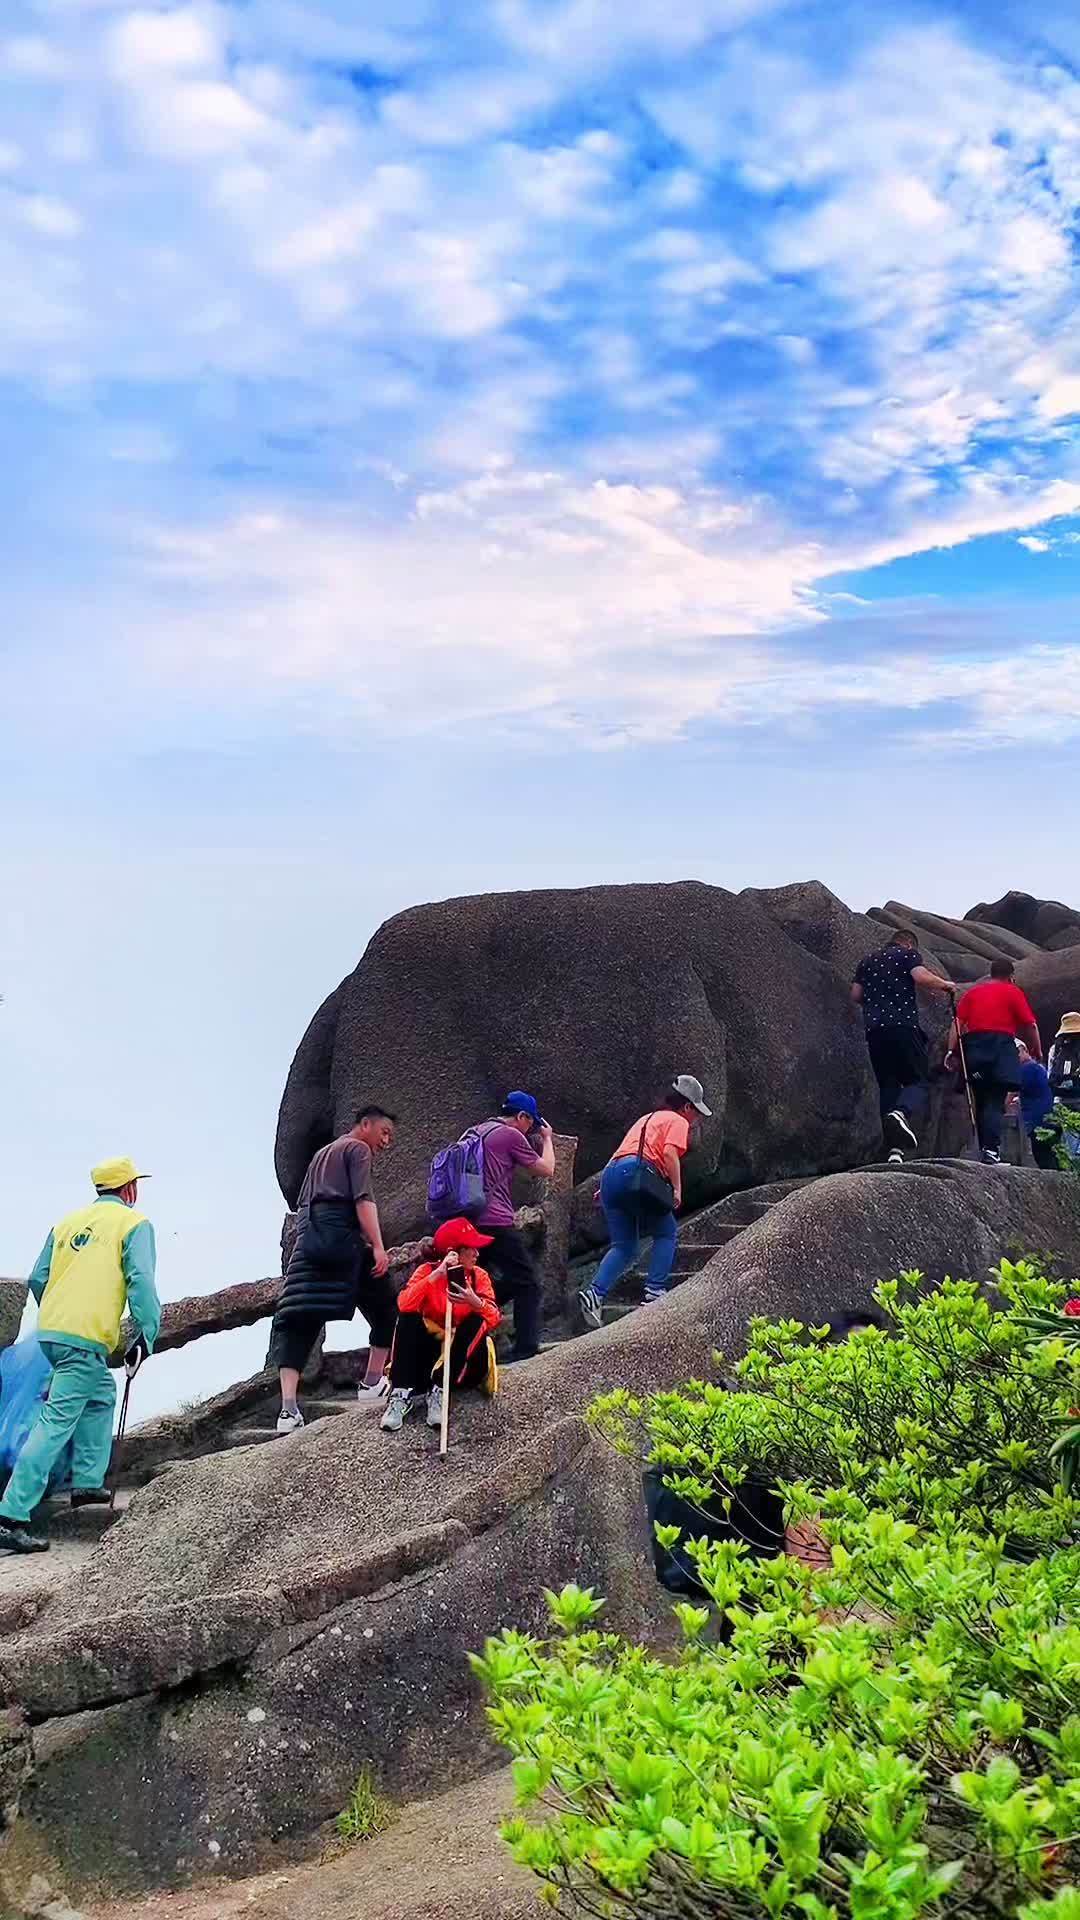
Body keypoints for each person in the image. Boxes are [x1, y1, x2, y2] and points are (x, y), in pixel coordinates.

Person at [0, 1157, 161, 1555]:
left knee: (100, 1392)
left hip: (51, 1334)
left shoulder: (66, 1223)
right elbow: (140, 1280)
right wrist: (146, 1332)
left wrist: (58, 1312)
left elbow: (38, 1277)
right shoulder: (134, 1224)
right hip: (85, 1337)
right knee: (56, 1421)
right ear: (129, 1190)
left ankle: (87, 1482)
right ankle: (10, 1515)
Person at [270, 1107, 397, 1435]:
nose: (386, 1141)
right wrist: (378, 1245)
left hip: (309, 1245)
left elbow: (304, 1204)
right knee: (386, 1306)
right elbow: (363, 1200)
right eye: (383, 1132)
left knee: (299, 1318)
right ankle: (371, 1383)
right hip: (343, 1242)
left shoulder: (322, 1154)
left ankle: (288, 1411)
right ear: (364, 1125)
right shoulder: (357, 1149)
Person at [577, 1075, 711, 1333]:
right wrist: (676, 1188)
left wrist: (604, 1189)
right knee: (666, 1232)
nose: (697, 1119)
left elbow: (621, 1152)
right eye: (696, 1111)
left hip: (611, 1177)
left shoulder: (647, 1119)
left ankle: (595, 1294)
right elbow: (669, 1152)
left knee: (624, 1246)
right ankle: (654, 1293)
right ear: (686, 1107)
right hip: (637, 1174)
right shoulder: (678, 1121)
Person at [380, 1218, 501, 1435]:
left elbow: (493, 1319)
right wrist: (437, 1275)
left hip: (464, 1364)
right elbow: (404, 1304)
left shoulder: (478, 1276)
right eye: (471, 1248)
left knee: (477, 1320)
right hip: (430, 1357)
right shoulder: (427, 1270)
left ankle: (439, 1390)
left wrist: (474, 1301)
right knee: (408, 1317)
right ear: (453, 1251)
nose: (477, 1253)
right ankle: (400, 1394)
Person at [850, 932, 955, 1164]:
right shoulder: (907, 954)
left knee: (887, 1084)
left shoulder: (867, 961)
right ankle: (902, 1112)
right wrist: (945, 984)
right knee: (918, 1079)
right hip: (902, 1026)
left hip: (875, 1031)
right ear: (908, 943)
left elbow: (856, 994)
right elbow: (920, 976)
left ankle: (894, 1151)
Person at [471, 1092, 555, 1364]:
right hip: (494, 1221)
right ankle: (525, 1348)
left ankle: (470, 1342)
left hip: (467, 1222)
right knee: (527, 1282)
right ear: (522, 1116)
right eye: (531, 1122)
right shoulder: (510, 1135)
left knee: (476, 1284)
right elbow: (546, 1169)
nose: (531, 1128)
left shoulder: (475, 1131)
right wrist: (548, 1139)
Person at [947, 961, 1042, 1165]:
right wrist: (1037, 1050)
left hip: (974, 1050)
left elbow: (957, 1024)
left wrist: (951, 1051)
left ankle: (985, 1149)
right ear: (1011, 976)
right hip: (999, 1049)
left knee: (980, 1097)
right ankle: (991, 1150)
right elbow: (1030, 1025)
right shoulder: (1012, 991)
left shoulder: (973, 993)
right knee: (994, 1099)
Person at [1010, 1042, 1055, 1167]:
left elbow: (1012, 1090)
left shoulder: (1027, 1068)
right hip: (1046, 1118)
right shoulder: (1037, 1068)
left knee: (1043, 1156)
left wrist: (1001, 1108)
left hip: (1039, 1121)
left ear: (1024, 1050)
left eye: (1016, 1053)